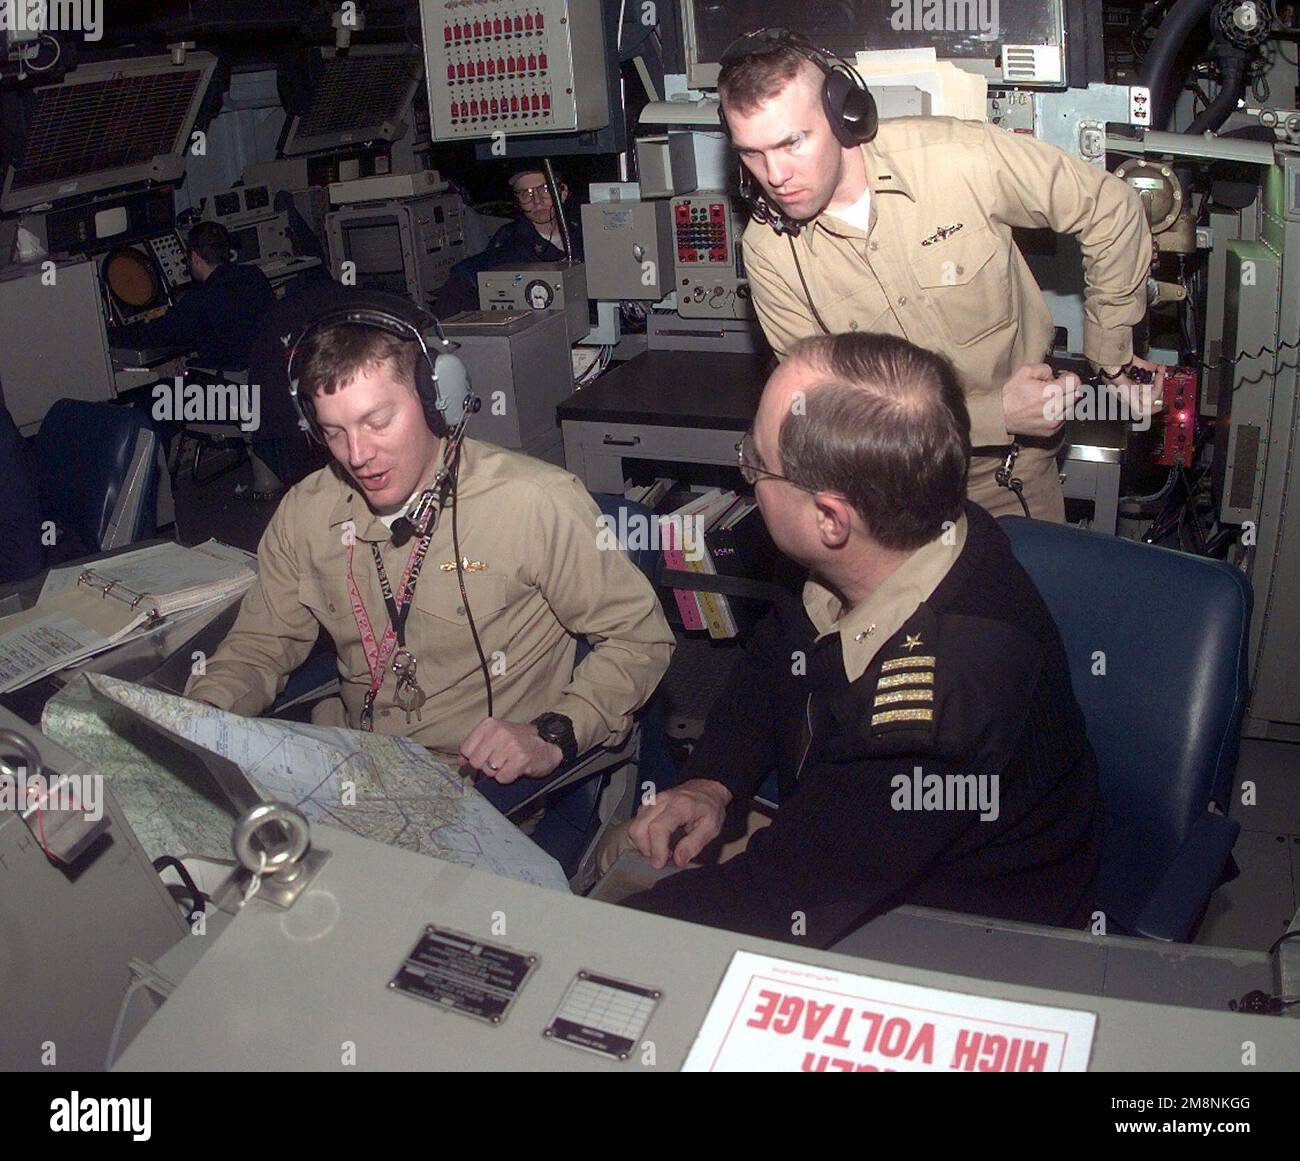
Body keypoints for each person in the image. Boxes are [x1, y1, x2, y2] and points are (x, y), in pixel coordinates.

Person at [619, 332, 1104, 947]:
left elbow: (783, 896)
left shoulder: (928, 712)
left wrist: (596, 935)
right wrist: (713, 780)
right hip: (851, 846)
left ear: (830, 519)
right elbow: (777, 663)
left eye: (755, 462)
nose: (745, 474)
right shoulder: (919, 525)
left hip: (967, 932)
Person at [185, 292, 673, 783]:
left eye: (378, 422)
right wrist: (198, 717)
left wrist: (553, 735)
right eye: (333, 432)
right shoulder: (306, 513)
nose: (357, 455)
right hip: (358, 763)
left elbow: (640, 641)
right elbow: (258, 647)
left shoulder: (535, 503)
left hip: (479, 788)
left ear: (438, 400)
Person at [719, 28, 1163, 522]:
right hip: (890, 488)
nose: (774, 175)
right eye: (751, 153)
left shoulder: (955, 159)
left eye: (792, 143)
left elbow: (1110, 207)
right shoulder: (770, 251)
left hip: (1009, 472)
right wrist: (997, 413)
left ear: (844, 115)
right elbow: (827, 412)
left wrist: (1112, 355)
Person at [108, 221, 276, 373]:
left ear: (195, 257)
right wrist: (171, 312)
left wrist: (108, 335)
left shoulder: (203, 298)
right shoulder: (253, 275)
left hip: (227, 381)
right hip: (266, 370)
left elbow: (154, 335)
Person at [433, 167, 584, 317]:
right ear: (517, 200)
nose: (537, 201)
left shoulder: (585, 234)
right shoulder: (508, 243)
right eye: (526, 194)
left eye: (544, 189)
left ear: (563, 192)